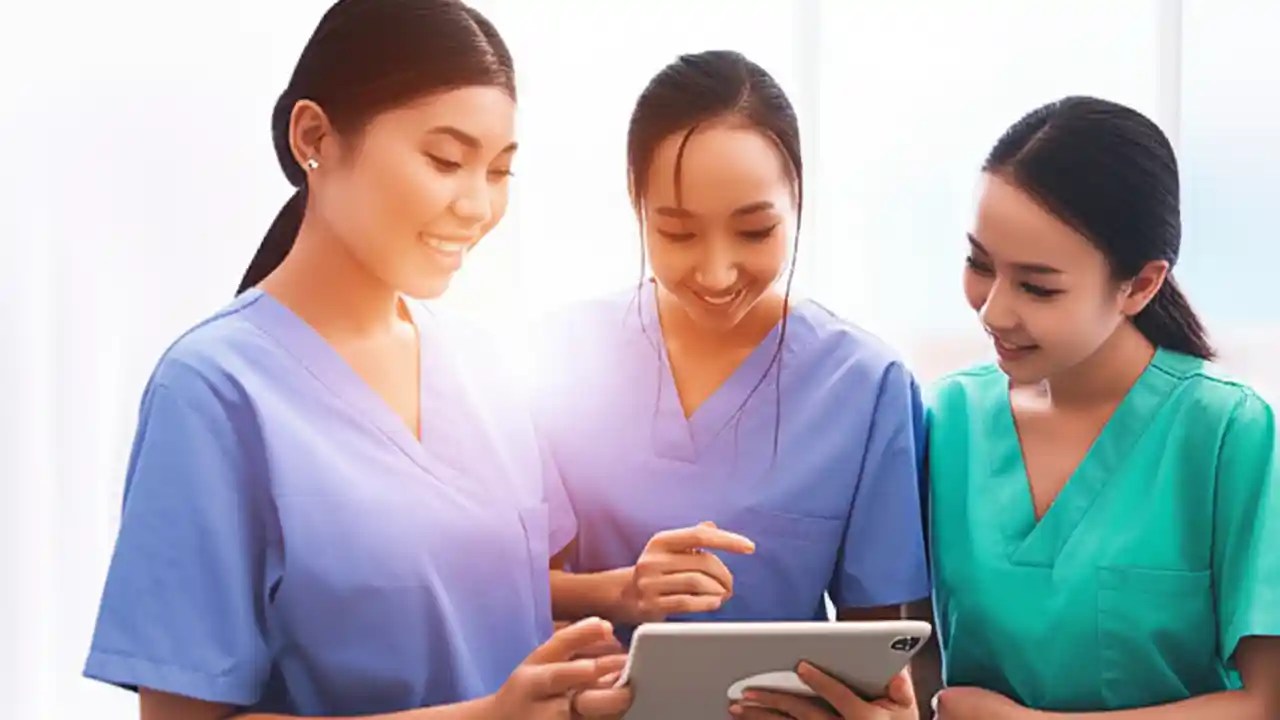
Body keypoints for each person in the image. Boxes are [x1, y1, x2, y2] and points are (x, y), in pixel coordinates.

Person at [82, 1, 631, 718]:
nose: (477, 205)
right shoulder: (215, 392)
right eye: (445, 160)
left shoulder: (486, 367)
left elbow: (495, 624)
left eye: (499, 171)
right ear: (314, 136)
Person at [739, 97, 1280, 719]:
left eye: (1037, 286)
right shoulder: (947, 422)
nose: (992, 311)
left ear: (1140, 284)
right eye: (979, 263)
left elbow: (1265, 703)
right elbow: (913, 668)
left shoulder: (1228, 433)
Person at [534, 49, 930, 658]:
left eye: (754, 232)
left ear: (799, 200)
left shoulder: (865, 385)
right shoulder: (562, 357)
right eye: (678, 233)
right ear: (636, 206)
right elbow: (511, 595)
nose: (716, 274)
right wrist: (619, 593)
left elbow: (875, 645)